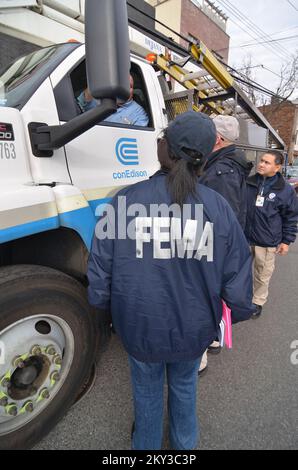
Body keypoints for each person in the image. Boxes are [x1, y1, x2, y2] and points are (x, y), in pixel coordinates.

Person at [87, 112, 254, 450]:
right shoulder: (216, 207)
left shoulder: (124, 200)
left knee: (146, 389)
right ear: (204, 156)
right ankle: (184, 445)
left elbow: (100, 266)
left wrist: (102, 307)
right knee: (184, 386)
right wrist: (236, 311)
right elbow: (238, 268)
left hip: (138, 325)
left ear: (166, 149)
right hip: (194, 327)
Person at [198, 115, 253, 371]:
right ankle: (213, 337)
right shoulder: (226, 164)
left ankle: (207, 343)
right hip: (218, 248)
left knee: (207, 294)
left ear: (217, 139)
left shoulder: (221, 171)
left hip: (213, 248)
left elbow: (220, 220)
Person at [245, 151, 298, 318]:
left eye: (267, 162)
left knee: (262, 275)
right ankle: (240, 299)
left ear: (277, 167)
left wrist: (286, 241)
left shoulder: (285, 190)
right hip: (244, 237)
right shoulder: (248, 182)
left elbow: (291, 216)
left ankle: (257, 302)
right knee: (239, 272)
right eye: (261, 161)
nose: (261, 164)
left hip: (266, 241)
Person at [77, 75, 149, 126]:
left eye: (129, 86)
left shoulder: (139, 113)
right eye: (121, 85)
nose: (125, 89)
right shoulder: (100, 99)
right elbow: (84, 101)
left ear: (133, 91)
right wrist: (99, 81)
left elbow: (138, 139)